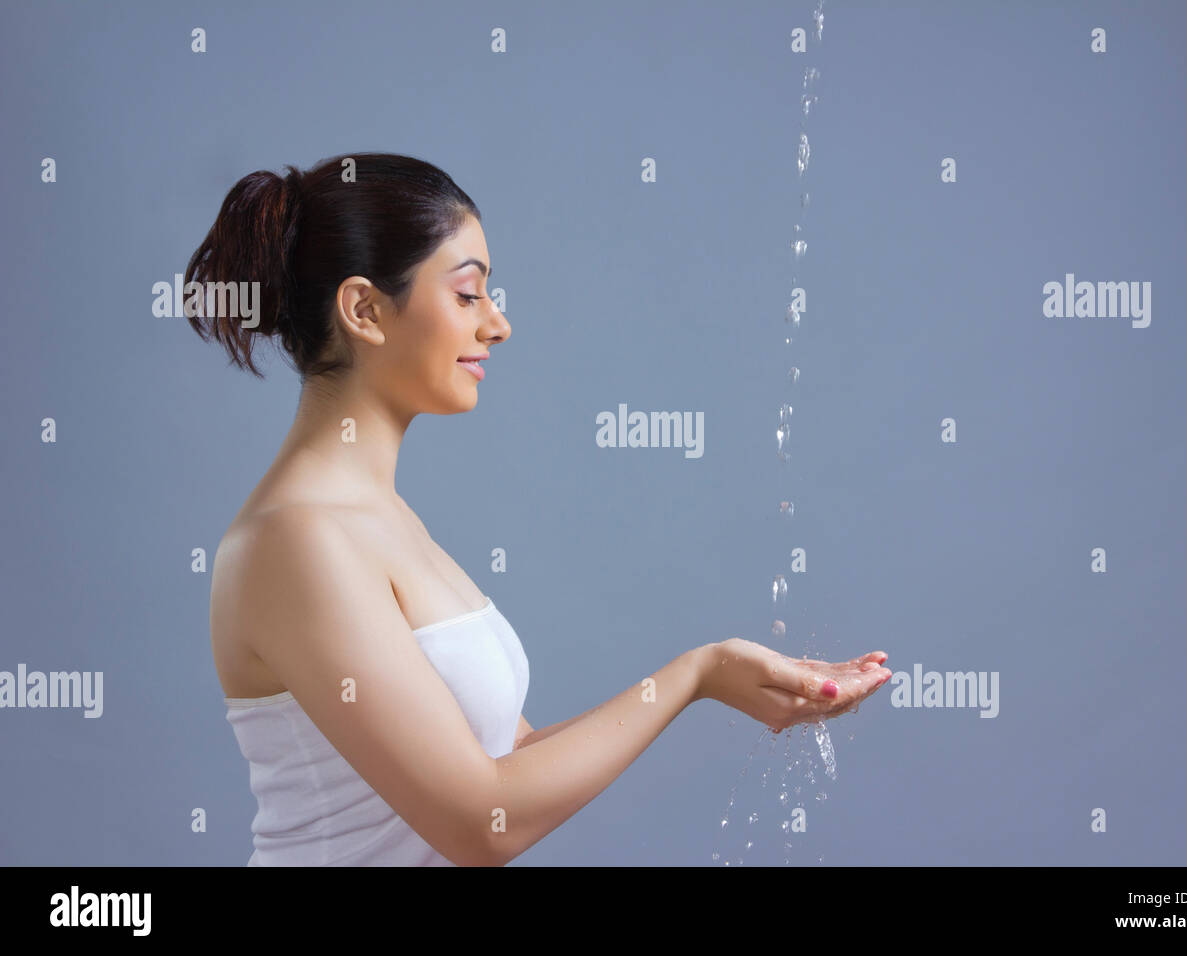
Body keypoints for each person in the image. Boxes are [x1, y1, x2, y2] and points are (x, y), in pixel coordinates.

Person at [189, 152, 892, 866]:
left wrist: (714, 677)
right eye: (468, 295)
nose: (498, 325)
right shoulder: (298, 539)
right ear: (365, 310)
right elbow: (482, 823)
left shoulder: (384, 522)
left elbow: (509, 757)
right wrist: (694, 675)